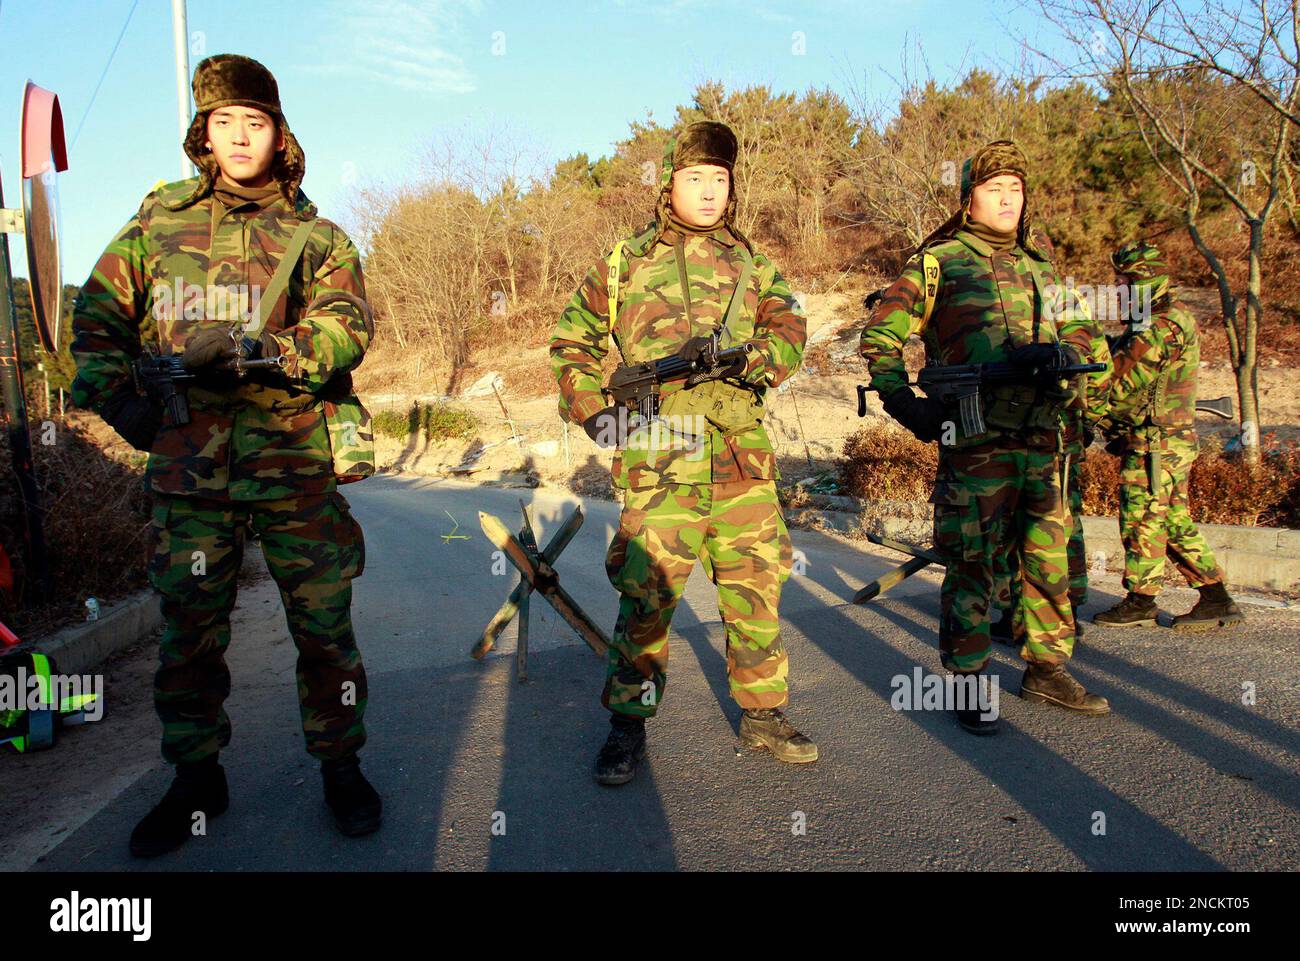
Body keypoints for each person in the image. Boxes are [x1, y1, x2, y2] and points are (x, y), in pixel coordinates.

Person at [70, 54, 380, 856]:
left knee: (325, 630)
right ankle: (195, 778)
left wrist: (272, 348)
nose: (241, 137)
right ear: (203, 133)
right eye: (225, 122)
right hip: (190, 475)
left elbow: (351, 321)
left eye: (257, 122)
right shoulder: (154, 227)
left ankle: (341, 765)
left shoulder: (317, 236)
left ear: (281, 135)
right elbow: (95, 330)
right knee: (190, 637)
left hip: (293, 463)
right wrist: (141, 416)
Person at [549, 120, 816, 785]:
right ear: (668, 183)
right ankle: (627, 724)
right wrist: (600, 420)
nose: (707, 190)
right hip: (658, 454)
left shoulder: (755, 264)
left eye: (719, 179)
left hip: (739, 452)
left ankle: (763, 714)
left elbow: (791, 328)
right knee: (647, 594)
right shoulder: (623, 263)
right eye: (694, 177)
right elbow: (571, 346)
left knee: (756, 585)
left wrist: (758, 356)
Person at [860, 140, 1110, 735]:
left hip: (1043, 440)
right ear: (969, 198)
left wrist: (1064, 359)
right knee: (972, 561)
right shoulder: (940, 262)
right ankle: (969, 680)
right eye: (994, 188)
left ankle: (1047, 668)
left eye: (1016, 189)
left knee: (1048, 560)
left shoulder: (1044, 270)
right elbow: (879, 339)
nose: (1007, 199)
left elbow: (1088, 341)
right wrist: (906, 405)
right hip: (976, 439)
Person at [1093, 241, 1244, 630]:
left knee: (1142, 517)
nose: (1118, 291)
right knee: (1172, 520)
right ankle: (1217, 598)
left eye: (1125, 283)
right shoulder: (1162, 320)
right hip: (1164, 440)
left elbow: (1120, 380)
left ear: (1145, 283)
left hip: (1155, 444)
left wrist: (1083, 378)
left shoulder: (1161, 326)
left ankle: (1140, 601)